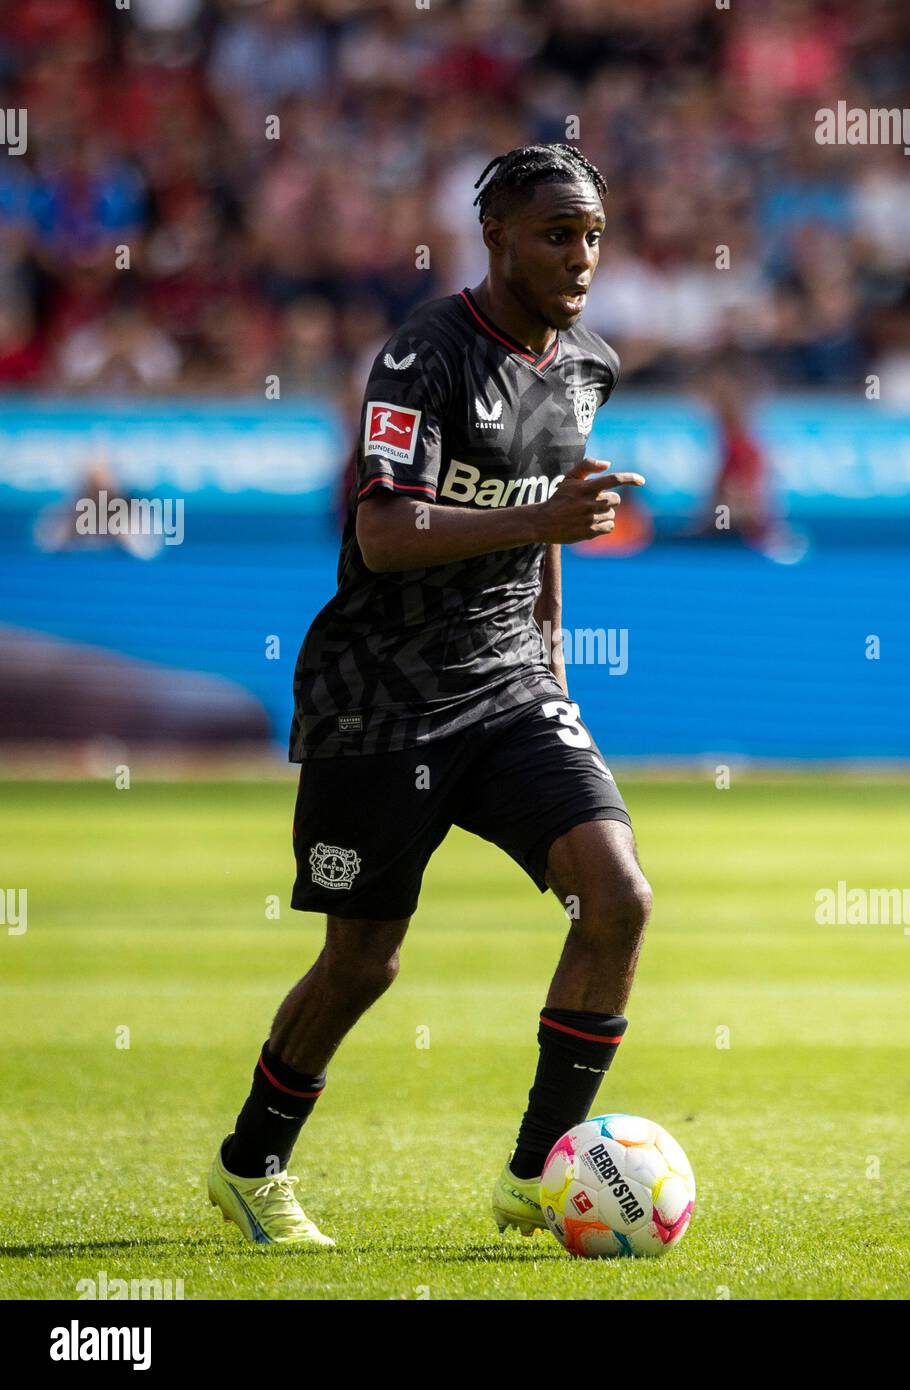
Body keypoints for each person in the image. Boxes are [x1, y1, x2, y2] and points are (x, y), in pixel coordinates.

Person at [207, 144, 652, 1245]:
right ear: (494, 235)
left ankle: (535, 1173)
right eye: (555, 233)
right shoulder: (422, 354)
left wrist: (552, 659)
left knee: (619, 899)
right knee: (364, 960)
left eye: (592, 233)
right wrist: (538, 522)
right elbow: (383, 529)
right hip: (379, 696)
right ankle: (250, 1166)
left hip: (506, 685)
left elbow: (549, 508)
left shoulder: (586, 364)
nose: (580, 255)